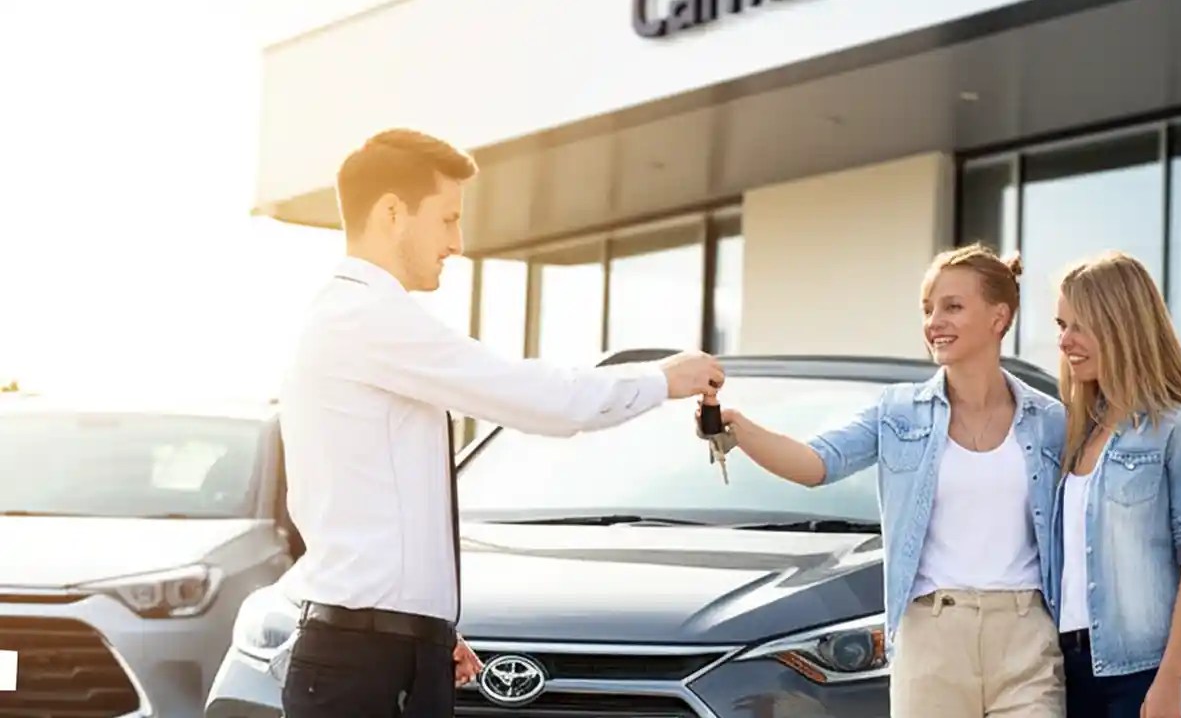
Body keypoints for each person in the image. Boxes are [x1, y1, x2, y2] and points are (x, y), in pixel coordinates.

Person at [276, 128, 725, 718]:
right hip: (363, 663)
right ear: (392, 213)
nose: (457, 243)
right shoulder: (367, 318)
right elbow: (533, 396)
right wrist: (661, 378)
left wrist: (429, 629)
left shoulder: (352, 319)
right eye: (446, 219)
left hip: (381, 652)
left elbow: (382, 506)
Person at [698, 244, 1067, 717]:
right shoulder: (898, 413)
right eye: (928, 309)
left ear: (999, 317)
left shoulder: (1050, 421)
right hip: (932, 640)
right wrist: (737, 426)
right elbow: (816, 463)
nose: (935, 321)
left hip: (1026, 639)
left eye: (953, 307)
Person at [1051, 251, 1181, 718]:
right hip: (1067, 669)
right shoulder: (1076, 431)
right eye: (1061, 325)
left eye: (1080, 325)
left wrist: (1172, 679)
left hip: (1148, 671)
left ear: (1120, 323)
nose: (1065, 340)